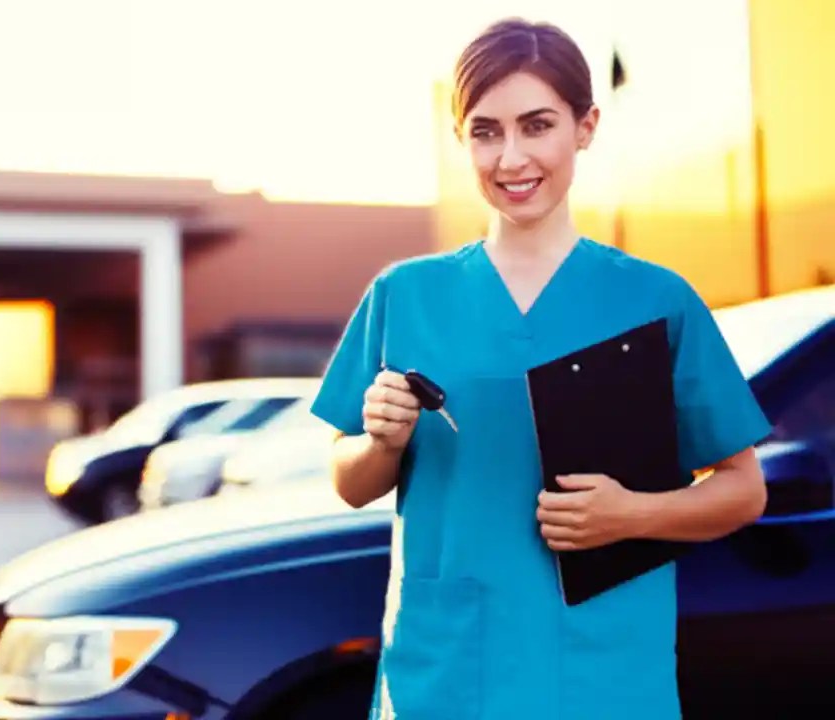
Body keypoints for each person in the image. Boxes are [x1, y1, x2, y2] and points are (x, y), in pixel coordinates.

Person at [309, 17, 771, 720]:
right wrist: (380, 441)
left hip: (604, 672)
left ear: (585, 127)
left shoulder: (656, 300)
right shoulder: (405, 295)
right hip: (449, 672)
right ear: (460, 137)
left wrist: (632, 514)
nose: (512, 157)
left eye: (537, 125)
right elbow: (349, 481)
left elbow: (743, 490)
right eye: (486, 131)